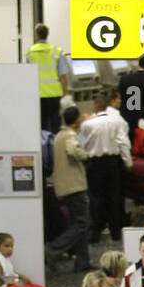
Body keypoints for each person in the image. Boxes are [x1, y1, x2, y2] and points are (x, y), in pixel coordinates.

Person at [78, 91, 131, 245]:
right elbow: (123, 142)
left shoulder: (87, 124)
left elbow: (82, 144)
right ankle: (115, 232)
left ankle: (96, 232)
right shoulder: (116, 122)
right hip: (113, 163)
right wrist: (128, 162)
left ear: (95, 107)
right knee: (114, 197)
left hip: (95, 164)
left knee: (95, 198)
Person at [49, 107, 91, 274]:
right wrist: (85, 155)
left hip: (63, 186)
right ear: (76, 120)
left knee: (77, 224)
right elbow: (73, 150)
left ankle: (83, 262)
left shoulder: (59, 135)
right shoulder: (70, 135)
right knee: (82, 224)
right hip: (75, 186)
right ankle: (53, 249)